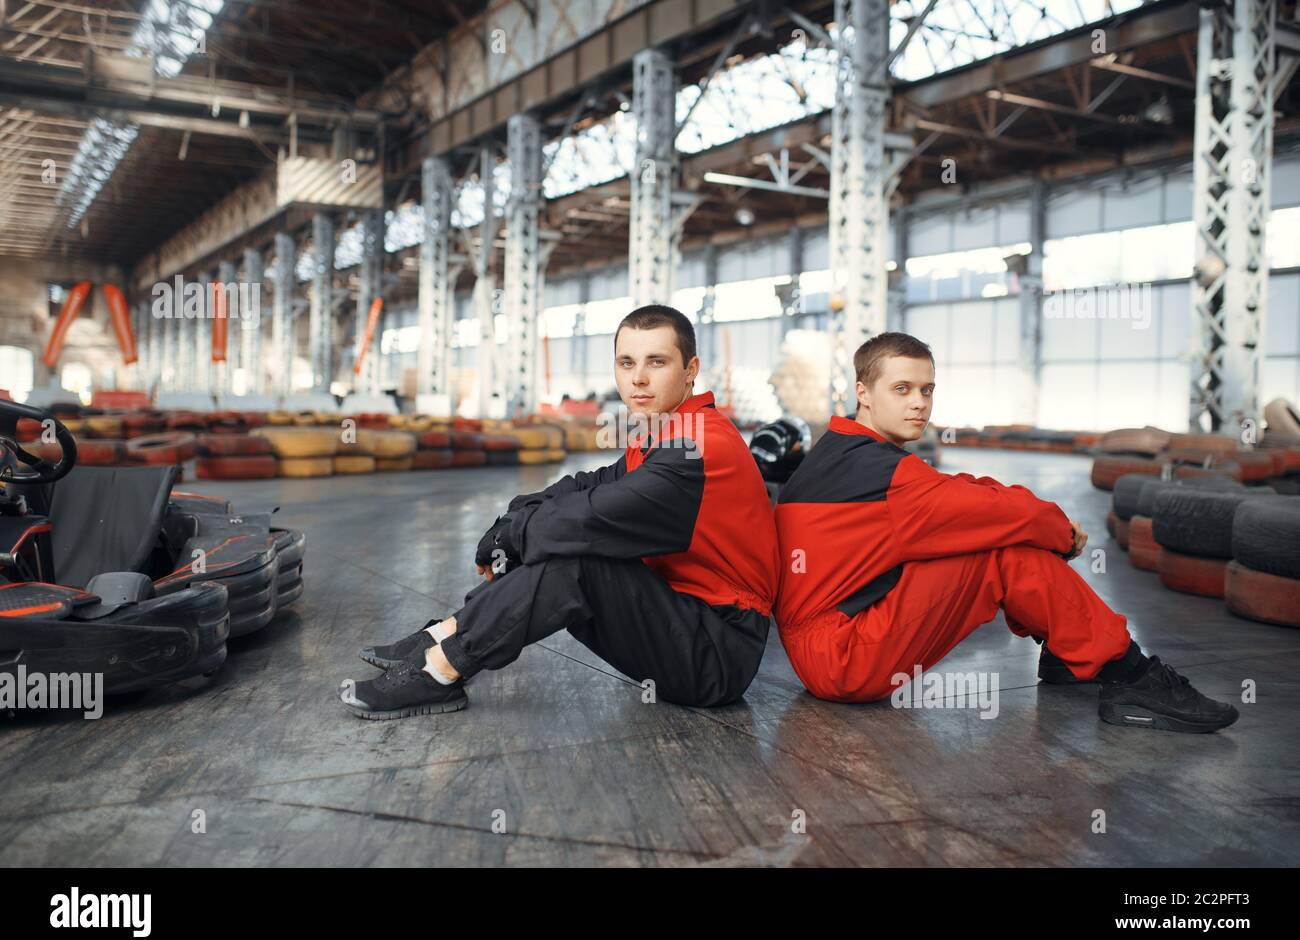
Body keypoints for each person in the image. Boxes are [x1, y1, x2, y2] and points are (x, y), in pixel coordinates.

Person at [772, 331, 1239, 734]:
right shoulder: (886, 477)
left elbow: (961, 491)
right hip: (843, 657)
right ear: (864, 392)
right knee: (1004, 553)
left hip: (825, 641)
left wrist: (1037, 521)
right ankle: (1131, 675)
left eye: (927, 389)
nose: (919, 403)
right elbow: (993, 512)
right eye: (902, 388)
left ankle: (1067, 650)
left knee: (993, 530)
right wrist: (1060, 532)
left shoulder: (845, 450)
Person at [340, 305, 780, 719]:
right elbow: (586, 485)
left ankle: (440, 671)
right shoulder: (664, 433)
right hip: (681, 620)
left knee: (577, 557)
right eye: (627, 363)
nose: (639, 379)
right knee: (558, 532)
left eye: (657, 363)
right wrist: (513, 519)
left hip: (717, 652)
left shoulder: (700, 445)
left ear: (691, 371)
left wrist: (515, 535)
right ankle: (442, 638)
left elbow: (597, 516)